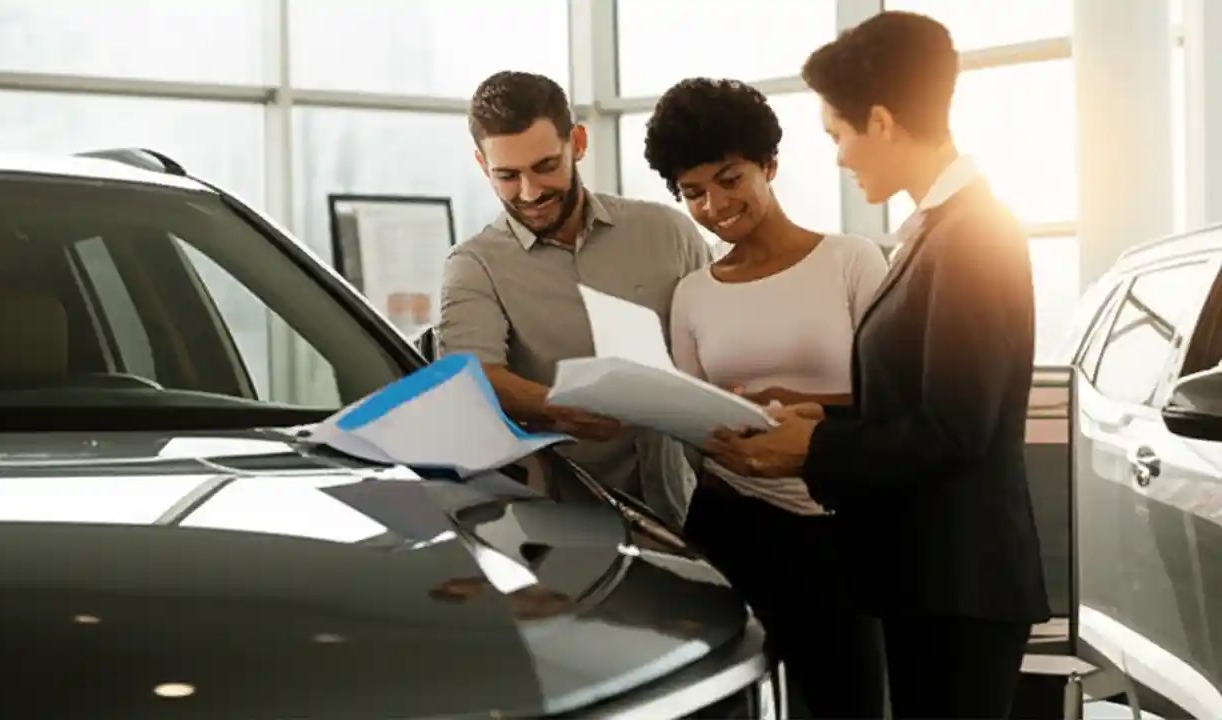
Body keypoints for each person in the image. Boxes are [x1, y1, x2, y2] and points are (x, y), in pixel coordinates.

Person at [704, 12, 1051, 719]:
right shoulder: (942, 230)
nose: (838, 157)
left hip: (960, 583)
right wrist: (817, 414)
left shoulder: (973, 236)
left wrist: (813, 446)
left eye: (839, 134)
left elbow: (952, 430)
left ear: (883, 122)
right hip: (932, 577)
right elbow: (922, 404)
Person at [643, 77, 888, 718]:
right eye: (693, 192)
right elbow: (688, 413)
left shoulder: (851, 261)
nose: (715, 205)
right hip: (730, 524)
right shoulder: (693, 293)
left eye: (730, 179)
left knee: (846, 701)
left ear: (769, 165)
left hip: (835, 529)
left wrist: (797, 408)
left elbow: (894, 397)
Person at [438, 70, 713, 527]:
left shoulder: (667, 232)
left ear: (578, 143)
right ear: (483, 166)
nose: (530, 193)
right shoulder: (474, 265)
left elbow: (714, 339)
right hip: (558, 521)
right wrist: (555, 407)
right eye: (507, 175)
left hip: (683, 509)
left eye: (546, 167)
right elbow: (471, 375)